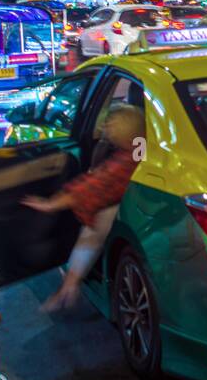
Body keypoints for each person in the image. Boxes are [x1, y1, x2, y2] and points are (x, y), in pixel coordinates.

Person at [21, 103, 145, 312]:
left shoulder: (122, 162)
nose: (106, 127)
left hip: (131, 208)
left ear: (123, 127)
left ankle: (69, 287)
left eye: (110, 124)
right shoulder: (141, 144)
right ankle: (69, 287)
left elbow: (91, 187)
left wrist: (50, 204)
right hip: (139, 203)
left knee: (94, 227)